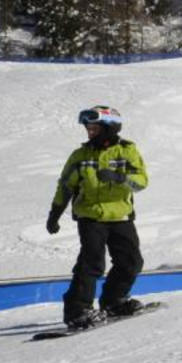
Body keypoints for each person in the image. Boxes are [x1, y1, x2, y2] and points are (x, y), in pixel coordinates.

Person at [46, 106, 150, 329]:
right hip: (91, 217)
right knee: (91, 263)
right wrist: (54, 215)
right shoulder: (80, 156)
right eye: (88, 128)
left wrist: (120, 177)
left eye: (94, 128)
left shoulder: (127, 151)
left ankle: (114, 301)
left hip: (120, 215)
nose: (90, 132)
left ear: (109, 127)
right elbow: (65, 187)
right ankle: (77, 311)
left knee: (131, 262)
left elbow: (141, 182)